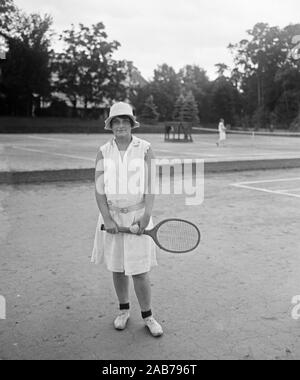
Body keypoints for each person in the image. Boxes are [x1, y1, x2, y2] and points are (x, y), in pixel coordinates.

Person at [91, 102, 163, 337]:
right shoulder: (103, 151)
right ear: (110, 125)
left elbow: (152, 185)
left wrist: (146, 216)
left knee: (140, 271)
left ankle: (148, 316)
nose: (120, 125)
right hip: (112, 218)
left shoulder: (145, 148)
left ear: (132, 124)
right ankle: (123, 311)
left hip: (139, 216)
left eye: (125, 121)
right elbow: (99, 190)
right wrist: (107, 219)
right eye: (116, 122)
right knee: (118, 269)